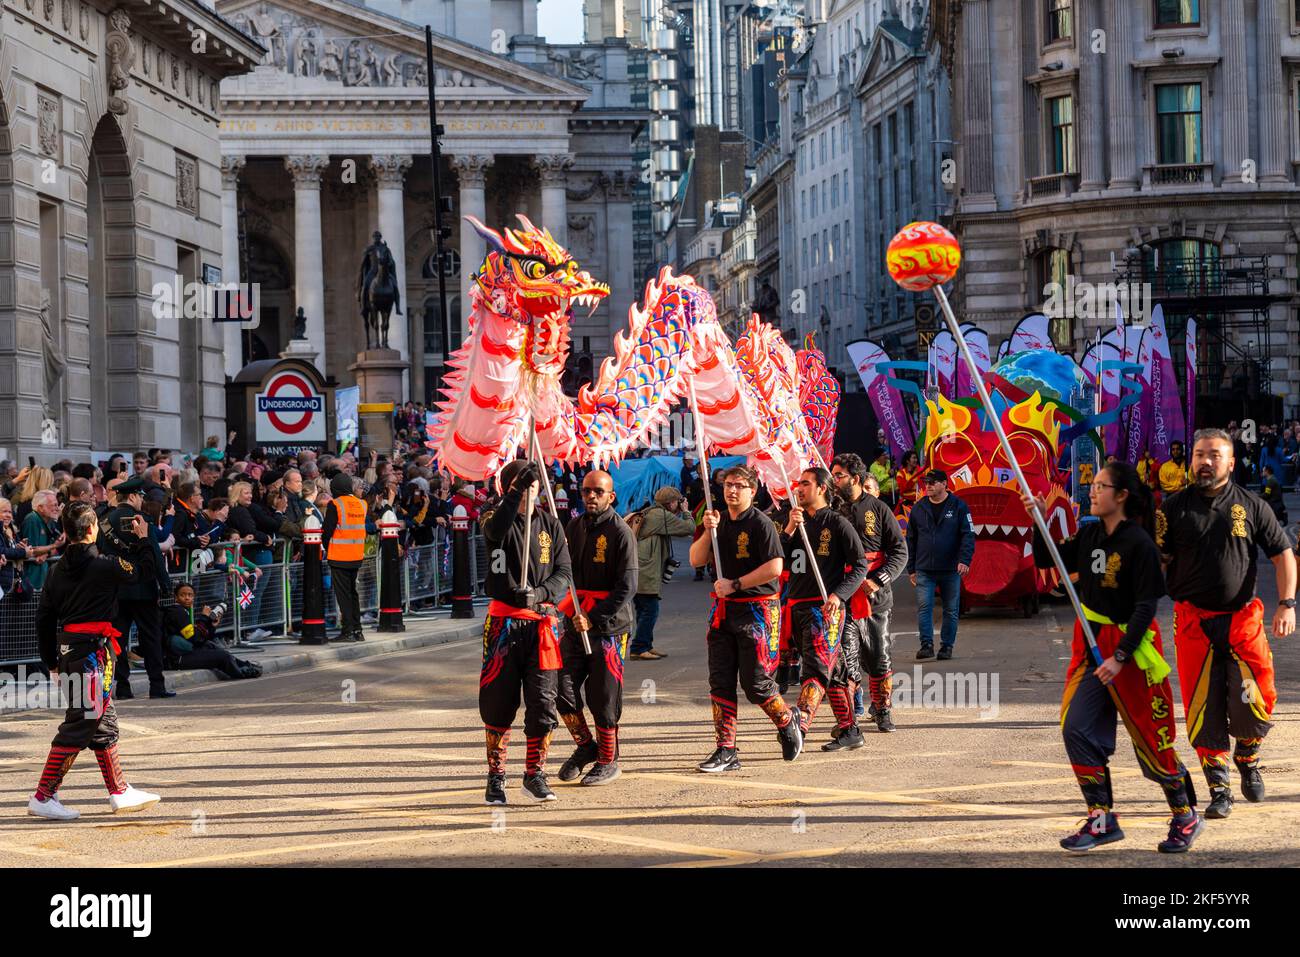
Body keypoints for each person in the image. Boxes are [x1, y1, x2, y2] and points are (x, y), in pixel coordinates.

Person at [1024, 461, 1203, 853]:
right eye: (1094, 484)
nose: (1092, 490)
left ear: (1121, 495)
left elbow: (1145, 606)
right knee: (1076, 728)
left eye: (1101, 485)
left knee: (1152, 742)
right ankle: (1101, 819)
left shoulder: (1138, 543)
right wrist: (1037, 520)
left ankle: (1185, 814)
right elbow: (1047, 561)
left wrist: (1121, 656)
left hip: (1131, 649)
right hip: (1089, 645)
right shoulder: (1089, 534)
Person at [1158, 429, 1296, 820]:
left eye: (1214, 455)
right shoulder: (1172, 509)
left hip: (1242, 620)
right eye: (1200, 454)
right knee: (1204, 707)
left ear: (1231, 462)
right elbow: (1155, 557)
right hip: (1191, 623)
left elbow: (1283, 555)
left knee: (1259, 696)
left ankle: (1248, 757)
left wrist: (1286, 604)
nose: (1205, 461)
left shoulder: (1252, 506)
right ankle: (1219, 788)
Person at [28, 501, 161, 820]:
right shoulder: (106, 564)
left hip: (72, 652)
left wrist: (51, 662)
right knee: (83, 721)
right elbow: (146, 570)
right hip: (89, 655)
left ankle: (119, 790)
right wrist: (144, 538)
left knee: (103, 722)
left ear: (65, 532)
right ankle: (43, 795)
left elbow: (44, 618)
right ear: (91, 529)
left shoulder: (56, 569)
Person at [688, 464, 802, 772]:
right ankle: (726, 750)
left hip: (758, 610)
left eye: (739, 485)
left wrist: (736, 584)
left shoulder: (761, 523)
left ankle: (787, 719)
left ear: (752, 490)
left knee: (756, 684)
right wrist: (707, 531)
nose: (731, 490)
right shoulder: (717, 520)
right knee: (720, 681)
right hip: (723, 612)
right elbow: (696, 559)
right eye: (727, 485)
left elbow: (775, 568)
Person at [478, 458, 574, 804]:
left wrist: (540, 594)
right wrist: (516, 488)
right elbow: (495, 531)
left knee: (542, 703)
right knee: (498, 702)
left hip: (541, 623)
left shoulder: (551, 524)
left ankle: (534, 773)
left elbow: (563, 571)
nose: (529, 492)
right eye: (521, 486)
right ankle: (496, 776)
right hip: (504, 624)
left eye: (532, 485)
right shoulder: (493, 518)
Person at [555, 470, 637, 786]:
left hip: (609, 627)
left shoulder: (620, 532)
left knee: (603, 696)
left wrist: (594, 616)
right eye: (587, 490)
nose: (591, 496)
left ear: (610, 496)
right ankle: (586, 746)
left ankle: (608, 758)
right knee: (559, 686)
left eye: (598, 492)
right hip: (574, 621)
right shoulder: (574, 527)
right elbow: (564, 572)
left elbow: (627, 586)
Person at [779, 467, 868, 741]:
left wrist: (838, 595)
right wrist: (790, 528)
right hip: (796, 607)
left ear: (822, 489)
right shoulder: (796, 523)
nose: (799, 488)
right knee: (836, 669)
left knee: (816, 669)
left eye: (806, 484)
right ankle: (850, 729)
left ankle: (800, 724)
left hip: (824, 610)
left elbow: (860, 566)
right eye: (798, 484)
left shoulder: (838, 523)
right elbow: (778, 561)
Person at [830, 454, 909, 737]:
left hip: (875, 598)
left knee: (878, 657)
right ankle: (849, 719)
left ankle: (883, 708)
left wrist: (878, 580)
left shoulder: (879, 509)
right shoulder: (832, 512)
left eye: (839, 475)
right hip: (843, 596)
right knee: (846, 659)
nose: (834, 480)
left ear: (855, 478)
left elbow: (900, 552)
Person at [99, 478, 174, 699]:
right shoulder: (141, 520)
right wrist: (166, 585)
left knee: (118, 640)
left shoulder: (104, 522)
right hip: (143, 587)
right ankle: (156, 686)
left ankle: (122, 687)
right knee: (150, 638)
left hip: (117, 589)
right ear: (132, 497)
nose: (142, 500)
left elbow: (101, 552)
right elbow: (153, 554)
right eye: (140, 496)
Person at [906, 469, 975, 660]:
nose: (928, 486)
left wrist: (964, 560)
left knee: (951, 610)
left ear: (945, 484)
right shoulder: (919, 509)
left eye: (933, 482)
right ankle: (926, 645)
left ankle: (947, 647)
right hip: (924, 569)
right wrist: (911, 568)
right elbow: (910, 539)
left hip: (951, 569)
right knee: (924, 607)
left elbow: (968, 535)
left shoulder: (959, 506)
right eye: (926, 482)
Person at [628, 486, 695, 660]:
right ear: (671, 502)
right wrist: (686, 512)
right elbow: (689, 528)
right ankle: (639, 647)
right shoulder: (661, 516)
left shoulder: (651, 512)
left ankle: (645, 645)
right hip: (647, 569)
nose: (679, 505)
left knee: (643, 608)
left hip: (640, 567)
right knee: (650, 609)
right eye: (677, 502)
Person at [162, 582, 263, 680]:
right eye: (182, 595)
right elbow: (195, 639)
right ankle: (244, 673)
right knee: (222, 656)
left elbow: (202, 639)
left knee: (211, 646)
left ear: (193, 598)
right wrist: (204, 617)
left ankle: (244, 665)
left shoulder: (183, 611)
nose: (187, 598)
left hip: (186, 651)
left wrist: (211, 626)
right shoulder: (177, 612)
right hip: (177, 658)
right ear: (176, 597)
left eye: (190, 595)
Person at [322, 472, 367, 643]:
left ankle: (347, 631)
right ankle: (357, 630)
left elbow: (327, 531)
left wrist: (328, 547)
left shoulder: (335, 504)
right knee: (353, 594)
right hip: (356, 555)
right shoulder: (361, 504)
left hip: (339, 556)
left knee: (343, 596)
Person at [21, 489, 64, 591]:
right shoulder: (32, 519)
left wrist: (47, 553)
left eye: (57, 505)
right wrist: (53, 546)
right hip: (31, 578)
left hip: (44, 578)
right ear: (40, 507)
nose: (57, 509)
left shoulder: (50, 521)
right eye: (53, 505)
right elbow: (31, 550)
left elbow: (56, 549)